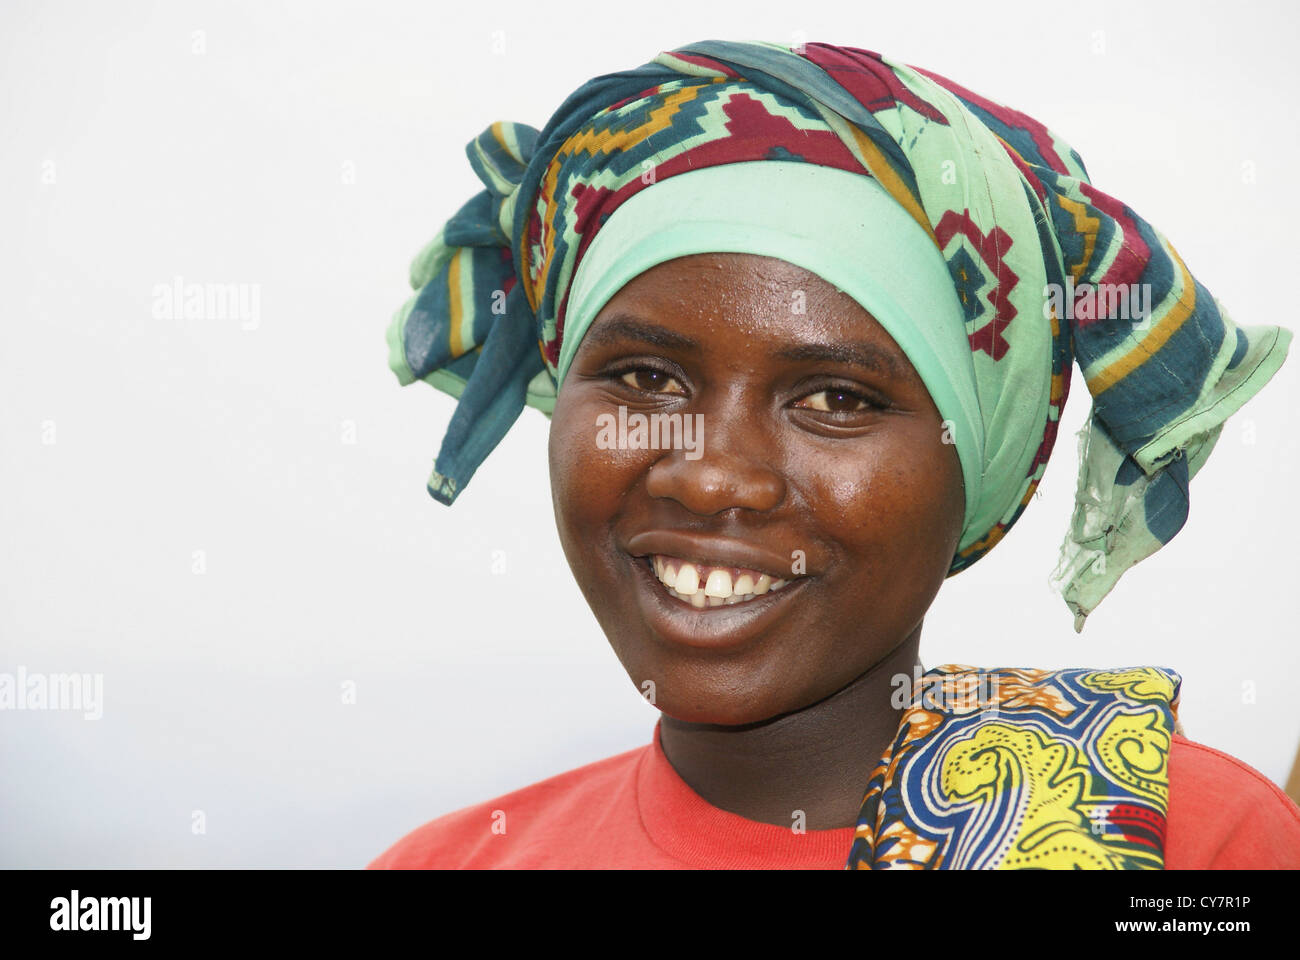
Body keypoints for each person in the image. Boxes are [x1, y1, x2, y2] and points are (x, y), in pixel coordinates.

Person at [371, 40, 1300, 869]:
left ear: (975, 469)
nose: (708, 474)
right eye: (648, 378)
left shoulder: (1192, 846)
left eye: (836, 399)